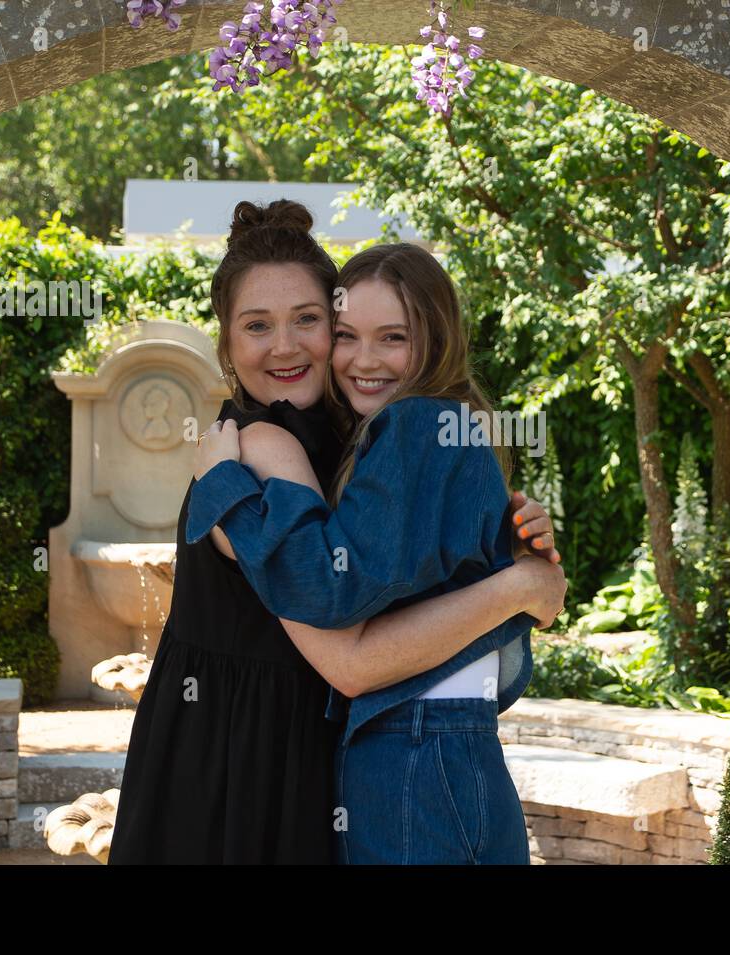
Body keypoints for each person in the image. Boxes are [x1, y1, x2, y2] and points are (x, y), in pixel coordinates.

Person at [108, 201, 564, 864]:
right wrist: (521, 587)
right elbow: (349, 659)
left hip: (327, 752)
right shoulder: (266, 447)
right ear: (227, 344)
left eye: (311, 321)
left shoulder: (366, 437)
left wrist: (514, 554)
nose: (286, 345)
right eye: (257, 325)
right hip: (243, 762)